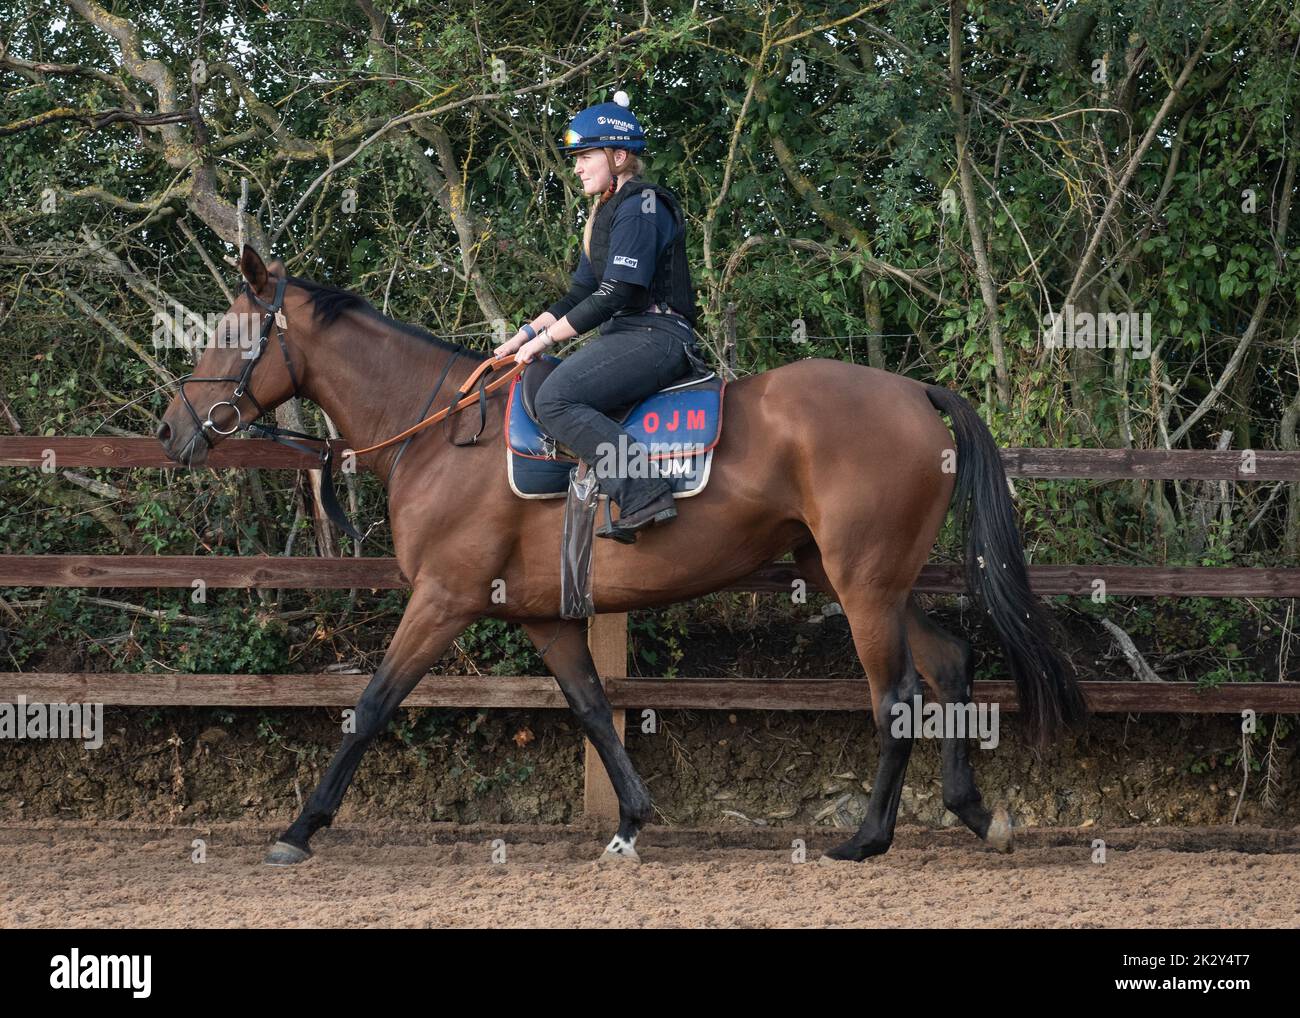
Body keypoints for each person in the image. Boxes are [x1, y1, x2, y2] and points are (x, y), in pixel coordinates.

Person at [494, 91, 705, 542]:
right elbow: (581, 293)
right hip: (627, 332)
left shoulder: (644, 205)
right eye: (577, 158)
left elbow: (616, 293)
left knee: (555, 399)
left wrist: (545, 343)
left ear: (620, 155)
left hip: (658, 334)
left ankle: (644, 494)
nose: (577, 167)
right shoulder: (605, 213)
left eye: (585, 155)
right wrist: (525, 334)